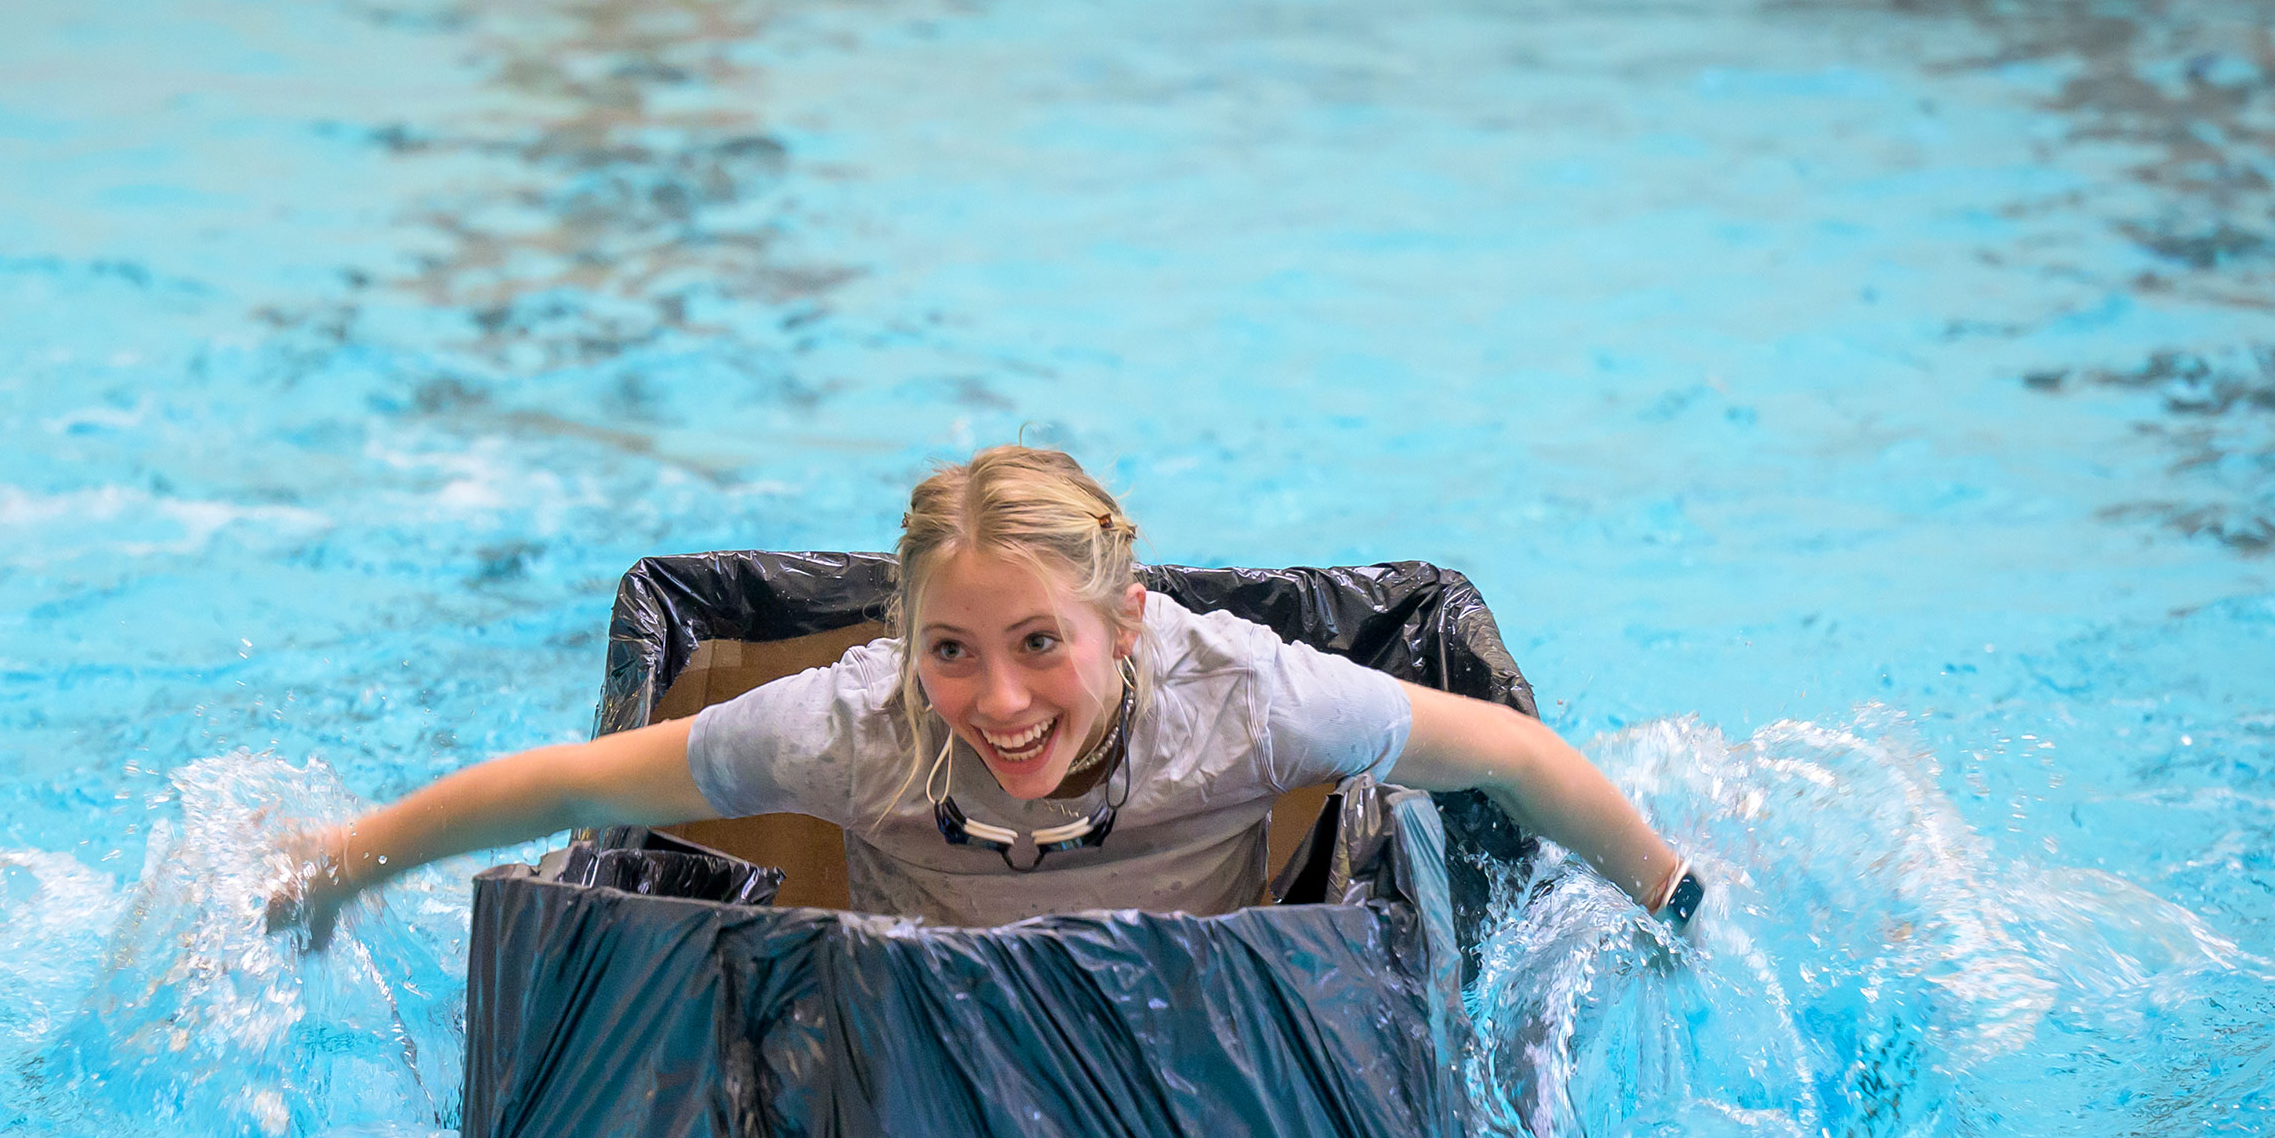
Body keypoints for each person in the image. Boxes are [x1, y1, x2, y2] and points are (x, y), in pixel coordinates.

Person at [279, 445, 1696, 943]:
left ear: (1127, 624)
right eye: (951, 648)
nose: (997, 697)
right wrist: (339, 868)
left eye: (1038, 643)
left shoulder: (1250, 697)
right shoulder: (852, 725)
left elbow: (1507, 749)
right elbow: (573, 784)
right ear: (904, 640)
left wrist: (1672, 893)